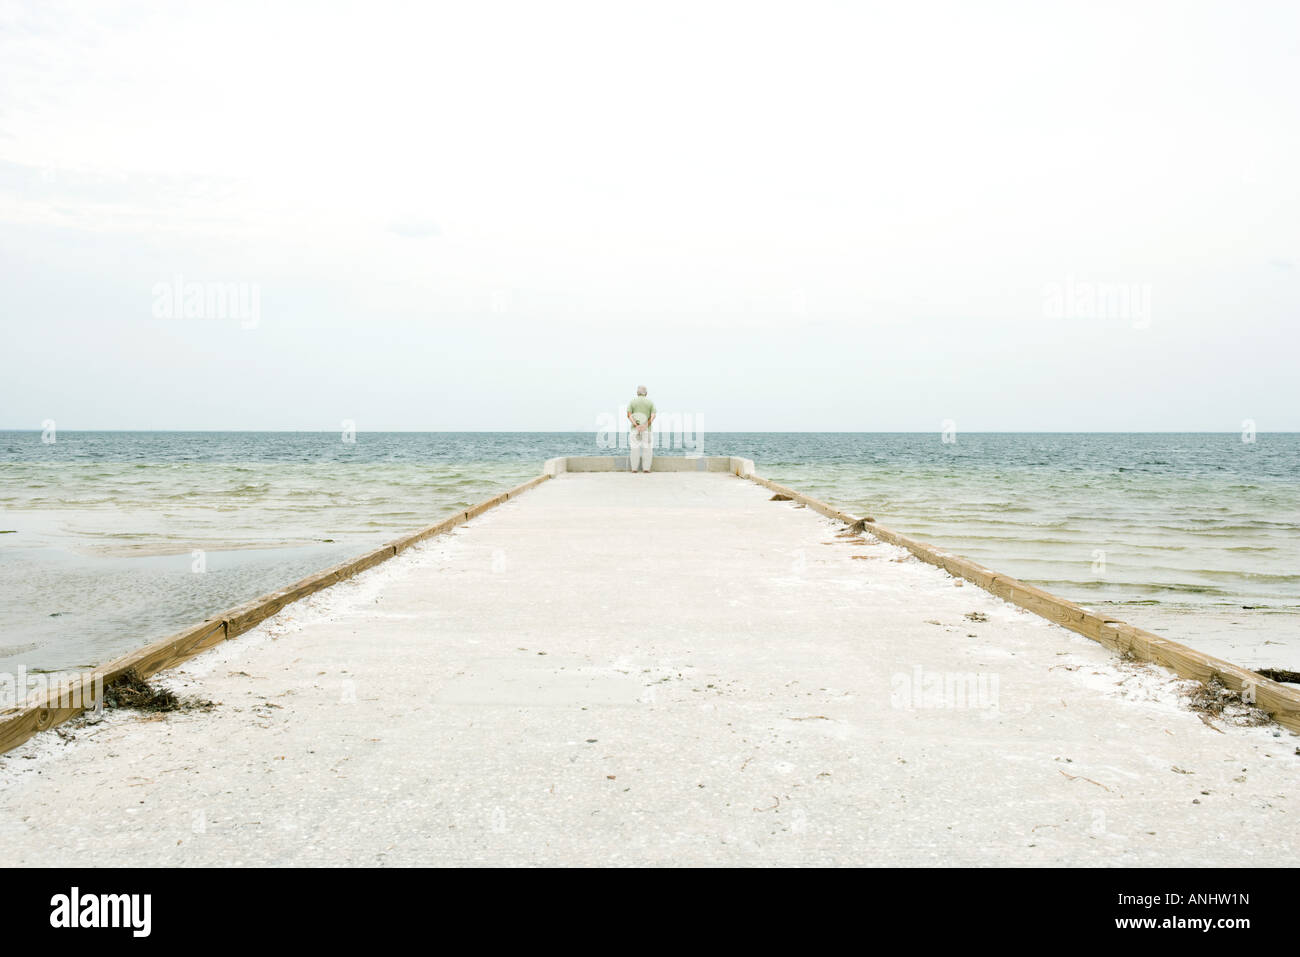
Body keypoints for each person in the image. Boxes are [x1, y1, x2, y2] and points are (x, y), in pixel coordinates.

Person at [626, 385, 656, 473]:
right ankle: (646, 469)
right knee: (647, 449)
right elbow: (653, 415)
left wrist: (636, 425)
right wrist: (645, 425)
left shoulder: (632, 402)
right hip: (647, 429)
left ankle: (634, 469)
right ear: (646, 393)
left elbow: (629, 415)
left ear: (637, 393)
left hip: (635, 429)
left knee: (634, 449)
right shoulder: (650, 402)